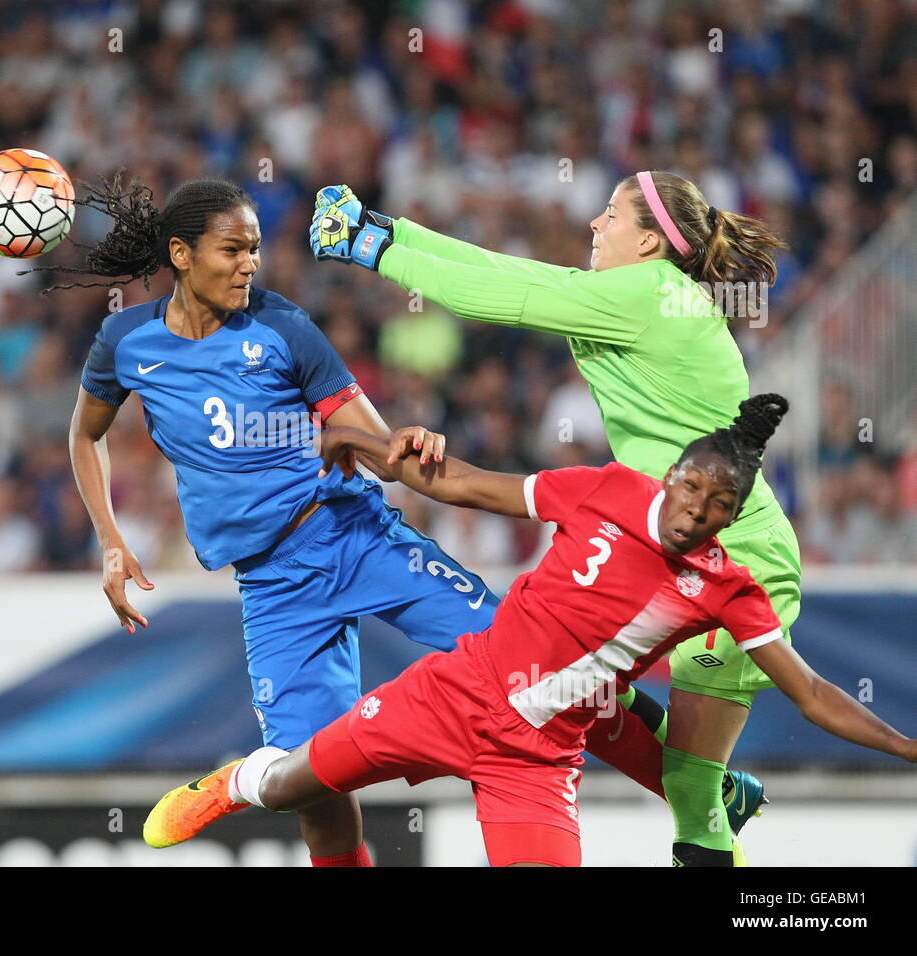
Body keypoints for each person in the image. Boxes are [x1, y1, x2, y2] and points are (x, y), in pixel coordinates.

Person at [143, 396, 916, 866]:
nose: (696, 510)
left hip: (537, 762)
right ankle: (232, 781)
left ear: (732, 516)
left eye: (718, 506)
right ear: (673, 474)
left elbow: (811, 695)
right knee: (287, 788)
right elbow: (475, 486)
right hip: (450, 694)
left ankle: (707, 791)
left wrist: (908, 747)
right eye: (691, 488)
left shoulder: (727, 586)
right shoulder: (607, 489)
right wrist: (379, 450)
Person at [308, 173, 800, 865]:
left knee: (690, 799)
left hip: (735, 556)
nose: (594, 224)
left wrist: (372, 252)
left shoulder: (651, 294)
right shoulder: (637, 293)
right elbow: (514, 273)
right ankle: (713, 787)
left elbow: (510, 298)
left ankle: (711, 800)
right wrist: (391, 232)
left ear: (651, 241)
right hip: (666, 550)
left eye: (610, 215)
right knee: (564, 683)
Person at [57, 175, 502, 866]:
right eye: (232, 250)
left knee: (528, 660)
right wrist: (111, 542)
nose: (250, 264)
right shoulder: (125, 342)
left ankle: (695, 787)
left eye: (255, 249)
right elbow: (85, 436)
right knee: (315, 796)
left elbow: (381, 452)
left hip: (352, 538)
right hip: (272, 585)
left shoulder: (283, 326)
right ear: (180, 253)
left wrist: (406, 447)